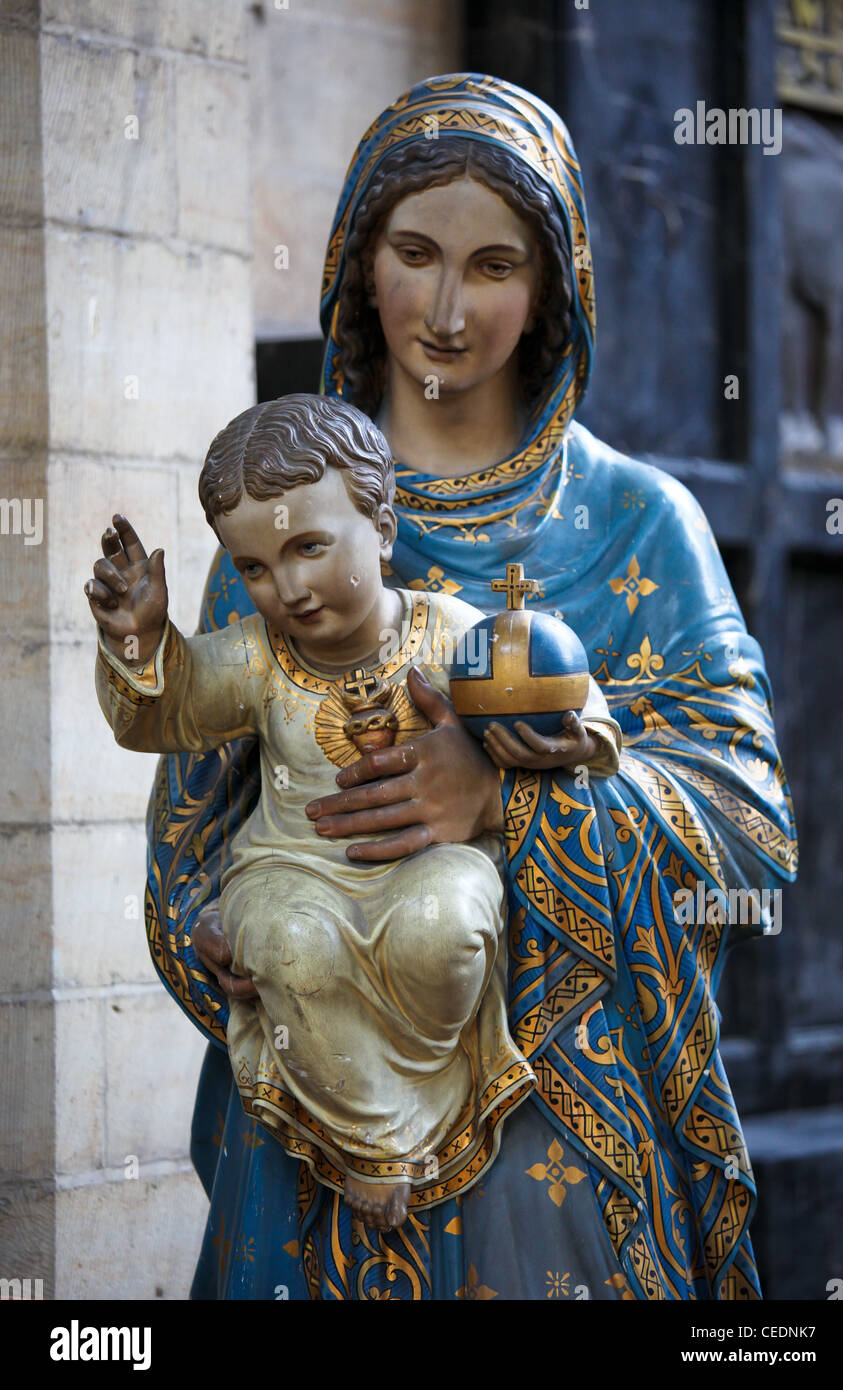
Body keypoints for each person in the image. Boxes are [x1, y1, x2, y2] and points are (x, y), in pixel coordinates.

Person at [141, 74, 798, 1300]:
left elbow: (748, 834)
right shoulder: (285, 519)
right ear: (355, 262)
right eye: (412, 254)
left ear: (551, 287)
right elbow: (189, 826)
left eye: (493, 265)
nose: (444, 311)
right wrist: (214, 939)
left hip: (549, 1136)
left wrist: (507, 801)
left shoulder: (639, 523)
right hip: (307, 1142)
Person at [89, 393, 616, 1230]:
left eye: (308, 548)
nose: (288, 588)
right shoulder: (259, 661)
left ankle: (423, 1081)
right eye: (256, 568)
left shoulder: (445, 632)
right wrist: (137, 640)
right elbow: (168, 711)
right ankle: (373, 1139)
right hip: (290, 871)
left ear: (381, 526)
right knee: (288, 948)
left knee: (448, 924)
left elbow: (549, 681)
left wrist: (581, 736)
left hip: (421, 867)